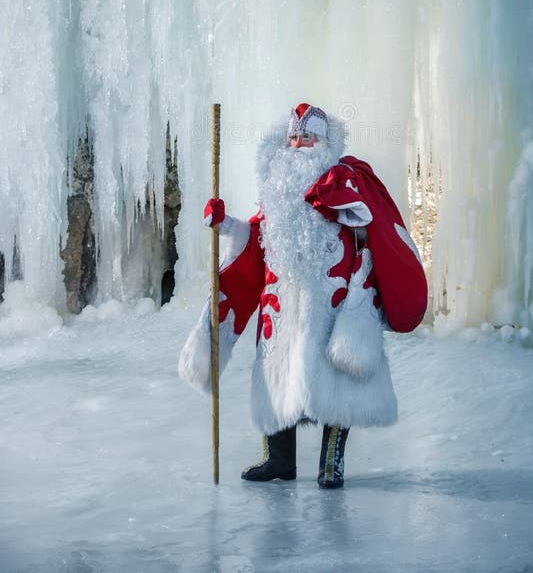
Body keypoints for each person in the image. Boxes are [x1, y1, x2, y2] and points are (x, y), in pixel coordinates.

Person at [179, 103, 427, 488]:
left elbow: (365, 220)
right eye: (293, 137)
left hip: (330, 305)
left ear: (325, 142)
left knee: (334, 379)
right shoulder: (276, 196)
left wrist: (336, 198)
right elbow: (255, 238)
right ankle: (278, 460)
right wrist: (224, 223)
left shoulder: (344, 181)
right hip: (281, 309)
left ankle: (332, 461)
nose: (298, 145)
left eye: (307, 137)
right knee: (277, 376)